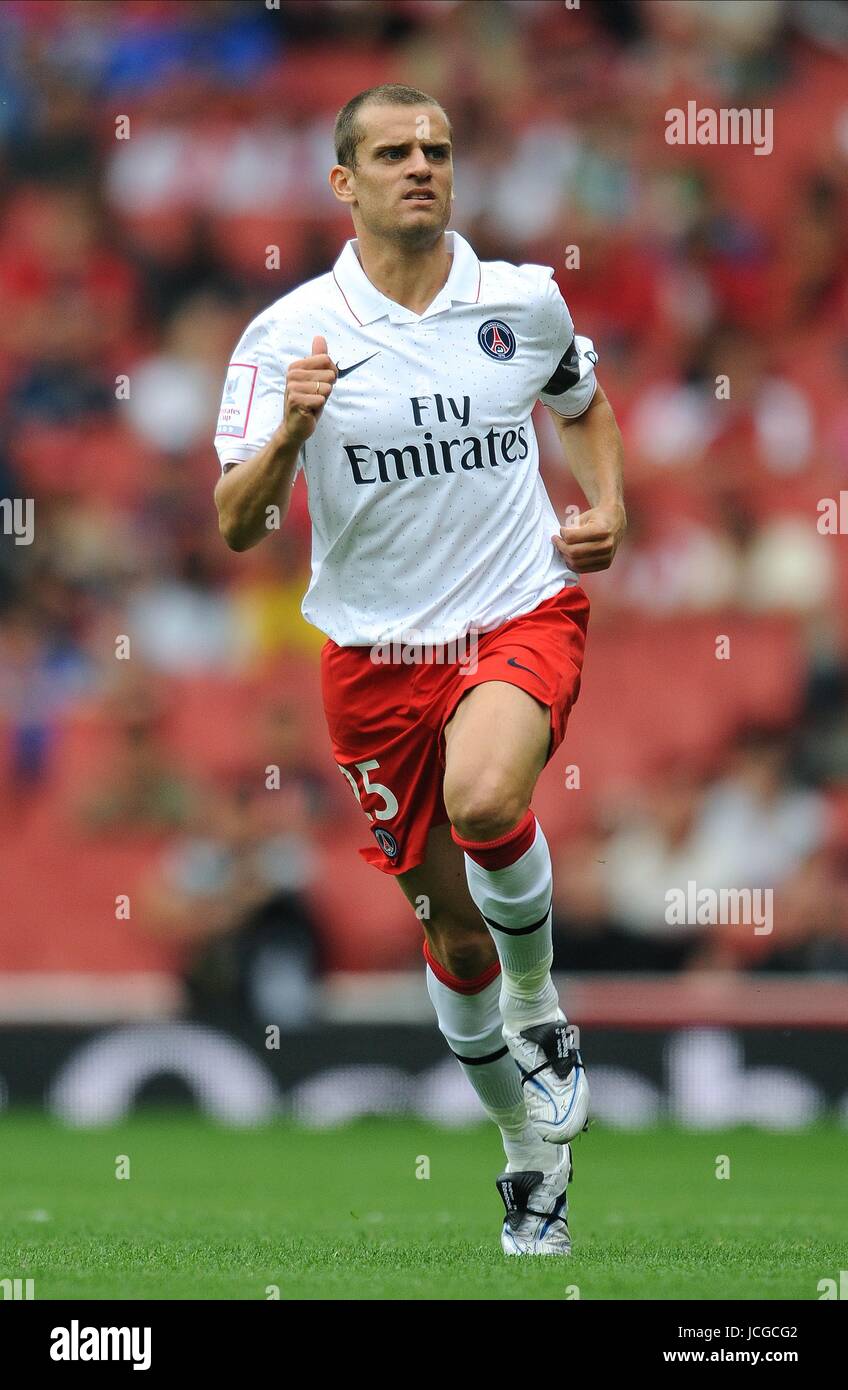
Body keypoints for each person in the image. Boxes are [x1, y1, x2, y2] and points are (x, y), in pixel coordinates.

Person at [213, 84, 626, 1255]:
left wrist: (608, 504)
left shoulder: (521, 300)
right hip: (373, 658)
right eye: (392, 152)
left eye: (436, 149)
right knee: (451, 938)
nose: (420, 166)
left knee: (489, 797)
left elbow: (583, 403)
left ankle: (541, 1009)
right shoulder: (285, 335)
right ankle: (526, 1158)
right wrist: (290, 435)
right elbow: (237, 524)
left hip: (515, 613)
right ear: (342, 182)